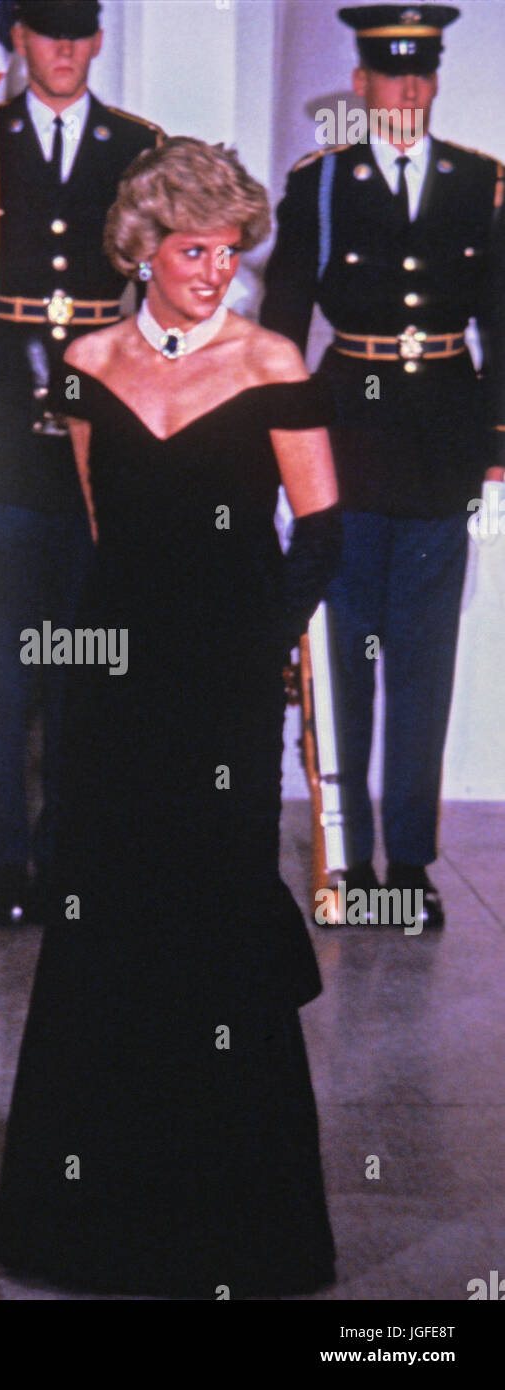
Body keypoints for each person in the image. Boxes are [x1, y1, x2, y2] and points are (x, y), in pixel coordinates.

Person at [0, 139, 341, 1299]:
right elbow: (104, 531)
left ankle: (236, 1234)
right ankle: (85, 1229)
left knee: (214, 913)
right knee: (107, 914)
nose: (215, 270)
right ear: (143, 249)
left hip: (225, 687)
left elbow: (321, 534)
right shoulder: (83, 364)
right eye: (193, 248)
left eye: (232, 248)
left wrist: (258, 645)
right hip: (114, 686)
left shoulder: (272, 358)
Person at [261, 4, 505, 928]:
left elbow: (501, 325)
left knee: (423, 667)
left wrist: (496, 450)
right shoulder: (322, 187)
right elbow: (284, 323)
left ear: (434, 82)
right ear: (359, 86)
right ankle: (348, 856)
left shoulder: (481, 184)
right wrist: (272, 445)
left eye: (420, 74)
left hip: (442, 446)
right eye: (387, 74)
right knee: (346, 658)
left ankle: (409, 862)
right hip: (345, 448)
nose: (405, 90)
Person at [0, 0, 162, 926]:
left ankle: (72, 859)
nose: (66, 52)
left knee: (86, 658)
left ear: (98, 38)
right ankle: (3, 860)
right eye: (48, 34)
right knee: (3, 661)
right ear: (16, 40)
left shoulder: (138, 145)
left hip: (102, 429)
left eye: (81, 33)